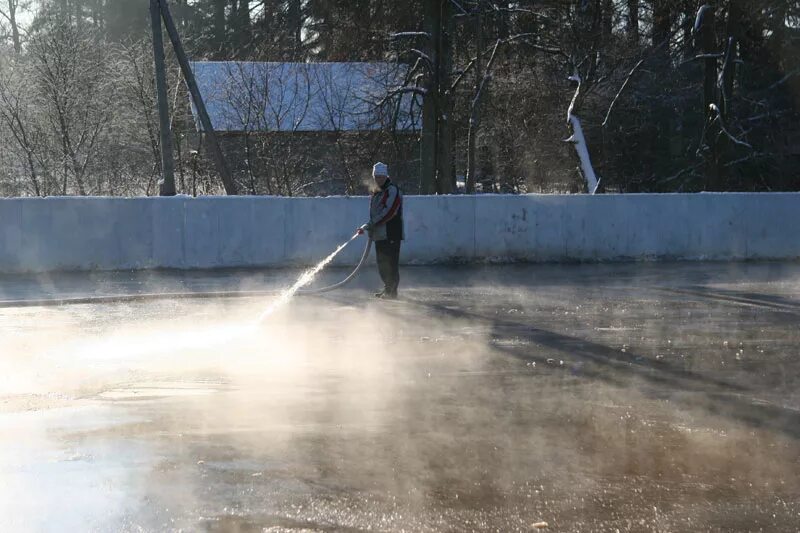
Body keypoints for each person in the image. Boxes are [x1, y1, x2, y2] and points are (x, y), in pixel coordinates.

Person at [361, 162, 403, 299]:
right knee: (382, 264)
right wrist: (371, 226)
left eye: (381, 176)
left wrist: (372, 223)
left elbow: (390, 211)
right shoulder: (376, 192)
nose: (378, 179)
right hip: (379, 234)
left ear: (386, 176)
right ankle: (387, 288)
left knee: (391, 263)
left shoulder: (392, 190)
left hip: (391, 232)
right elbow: (375, 212)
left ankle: (392, 291)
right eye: (376, 176)